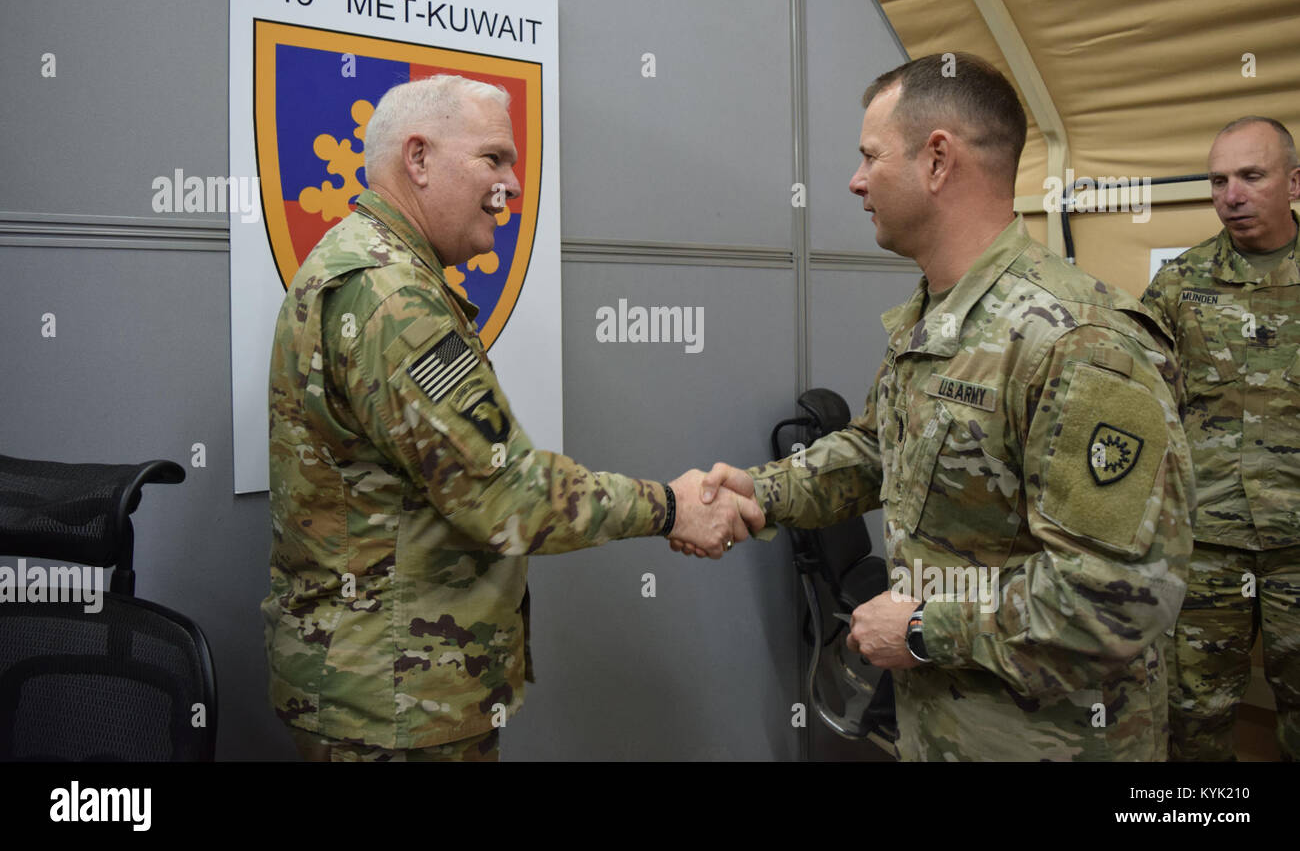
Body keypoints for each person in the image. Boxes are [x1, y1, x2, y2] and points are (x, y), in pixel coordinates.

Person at [685, 53, 1194, 760]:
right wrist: (761, 494)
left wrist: (926, 628)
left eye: (869, 157)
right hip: (943, 731)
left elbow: (1117, 599)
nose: (856, 181)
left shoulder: (1078, 342)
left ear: (937, 160)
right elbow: (879, 448)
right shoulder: (942, 315)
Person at [262, 74, 762, 762]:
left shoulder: (371, 269)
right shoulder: (391, 298)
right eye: (494, 159)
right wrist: (672, 507)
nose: (513, 185)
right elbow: (508, 495)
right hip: (393, 705)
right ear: (418, 159)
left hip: (385, 688)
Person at [1141, 116, 1300, 761]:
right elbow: (1138, 404)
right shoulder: (1179, 285)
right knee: (1194, 716)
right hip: (1207, 545)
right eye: (1218, 180)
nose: (1231, 194)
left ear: (1294, 183)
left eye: (1250, 176)